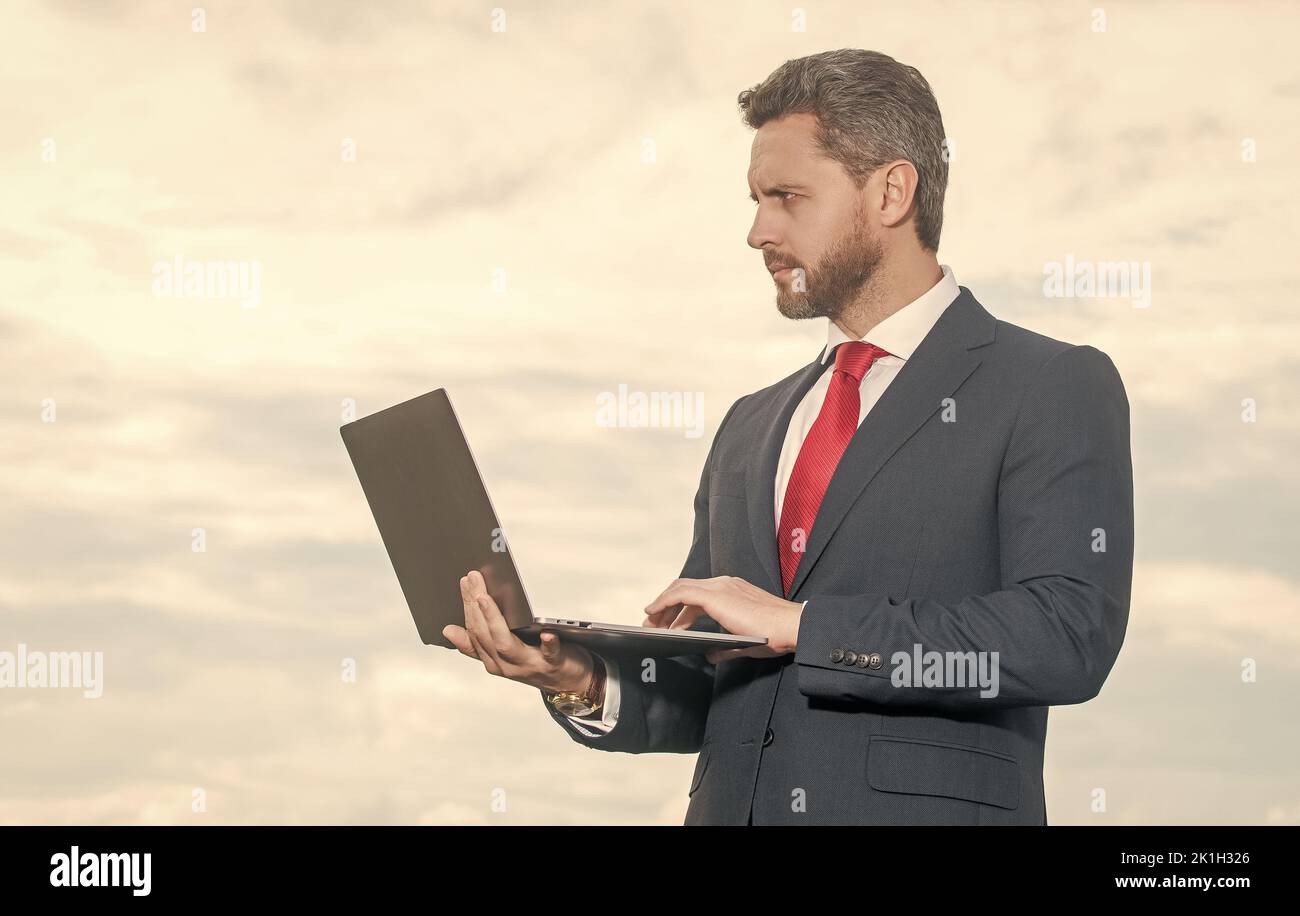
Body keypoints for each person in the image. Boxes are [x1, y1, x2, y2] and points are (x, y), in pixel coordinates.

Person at [444, 48, 1133, 826]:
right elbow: (714, 689)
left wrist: (803, 626)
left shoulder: (1049, 385)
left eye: (787, 197)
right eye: (755, 199)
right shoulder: (751, 425)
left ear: (892, 191)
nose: (757, 231)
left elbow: (1065, 636)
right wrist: (573, 673)